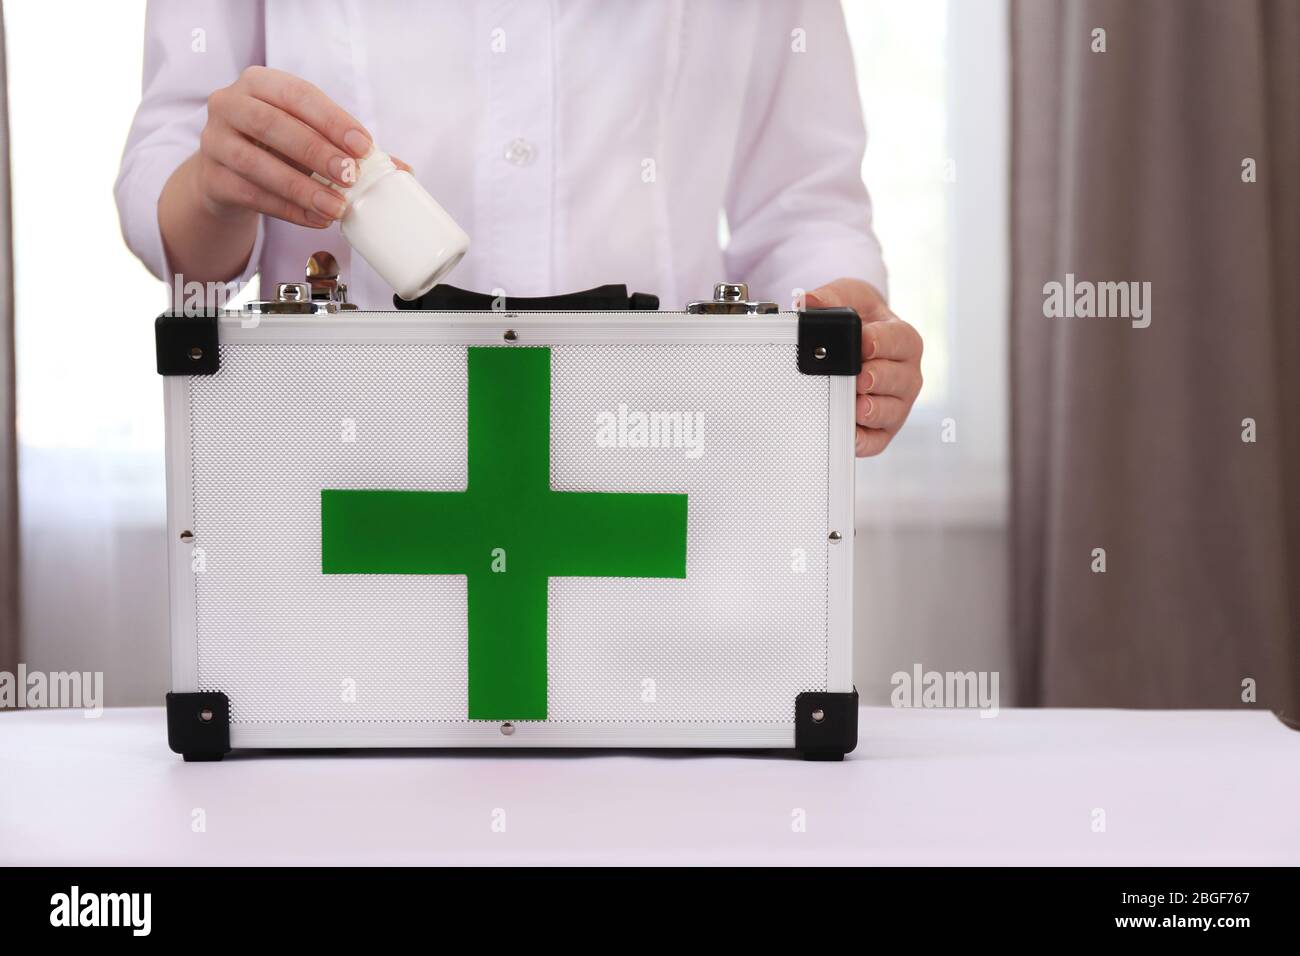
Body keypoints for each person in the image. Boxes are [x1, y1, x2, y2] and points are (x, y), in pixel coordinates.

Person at [116, 0, 922, 456]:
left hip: (663, 454)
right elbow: (181, 236)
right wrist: (215, 188)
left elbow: (804, 206)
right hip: (344, 456)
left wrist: (849, 345)